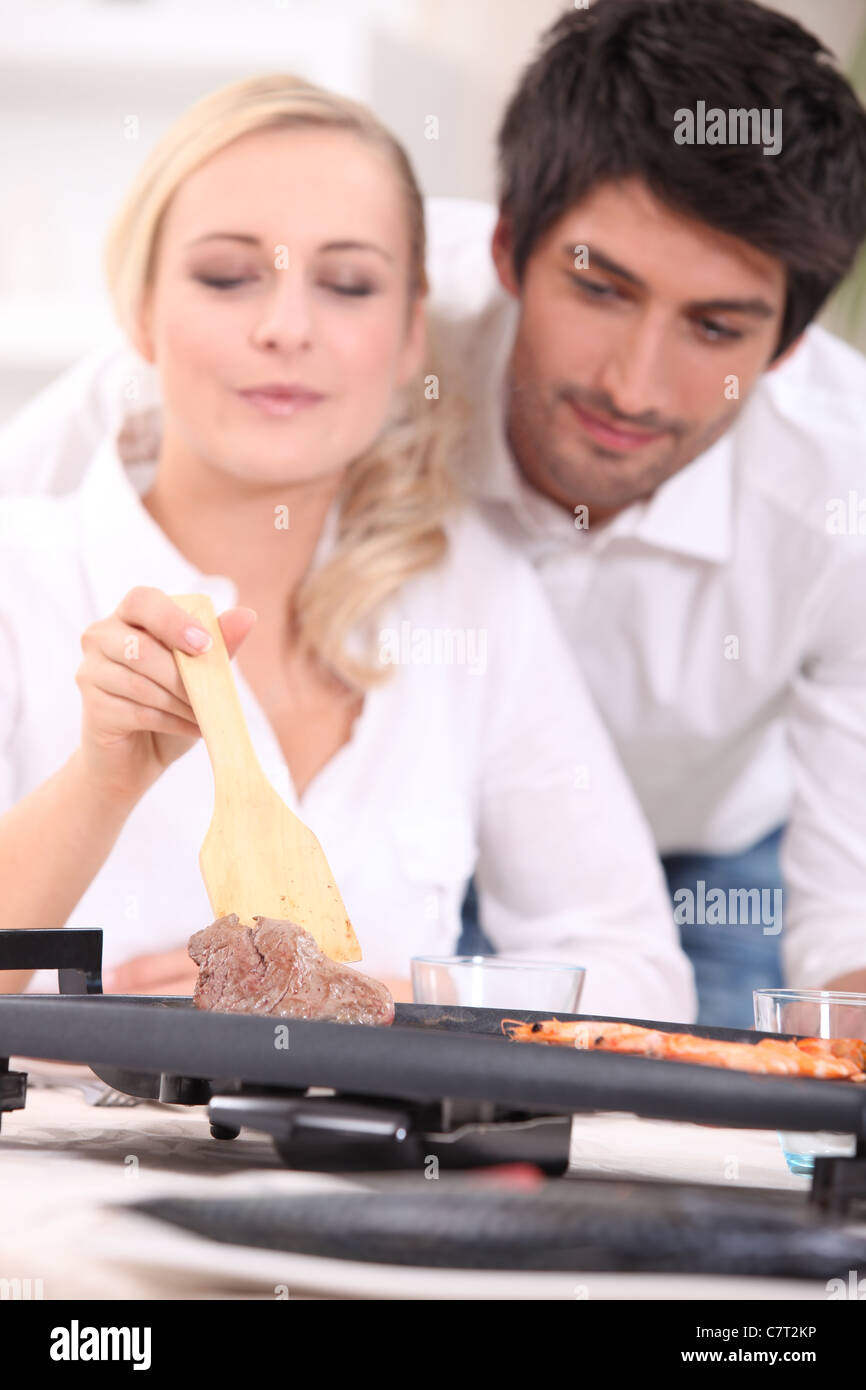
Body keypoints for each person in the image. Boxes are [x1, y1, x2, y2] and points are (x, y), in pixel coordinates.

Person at [8, 0, 865, 1029]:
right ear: (503, 257)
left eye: (713, 326)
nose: (634, 385)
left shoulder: (826, 488)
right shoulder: (67, 513)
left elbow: (780, 937)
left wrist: (351, 997)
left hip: (704, 840)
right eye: (599, 291)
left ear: (779, 351)